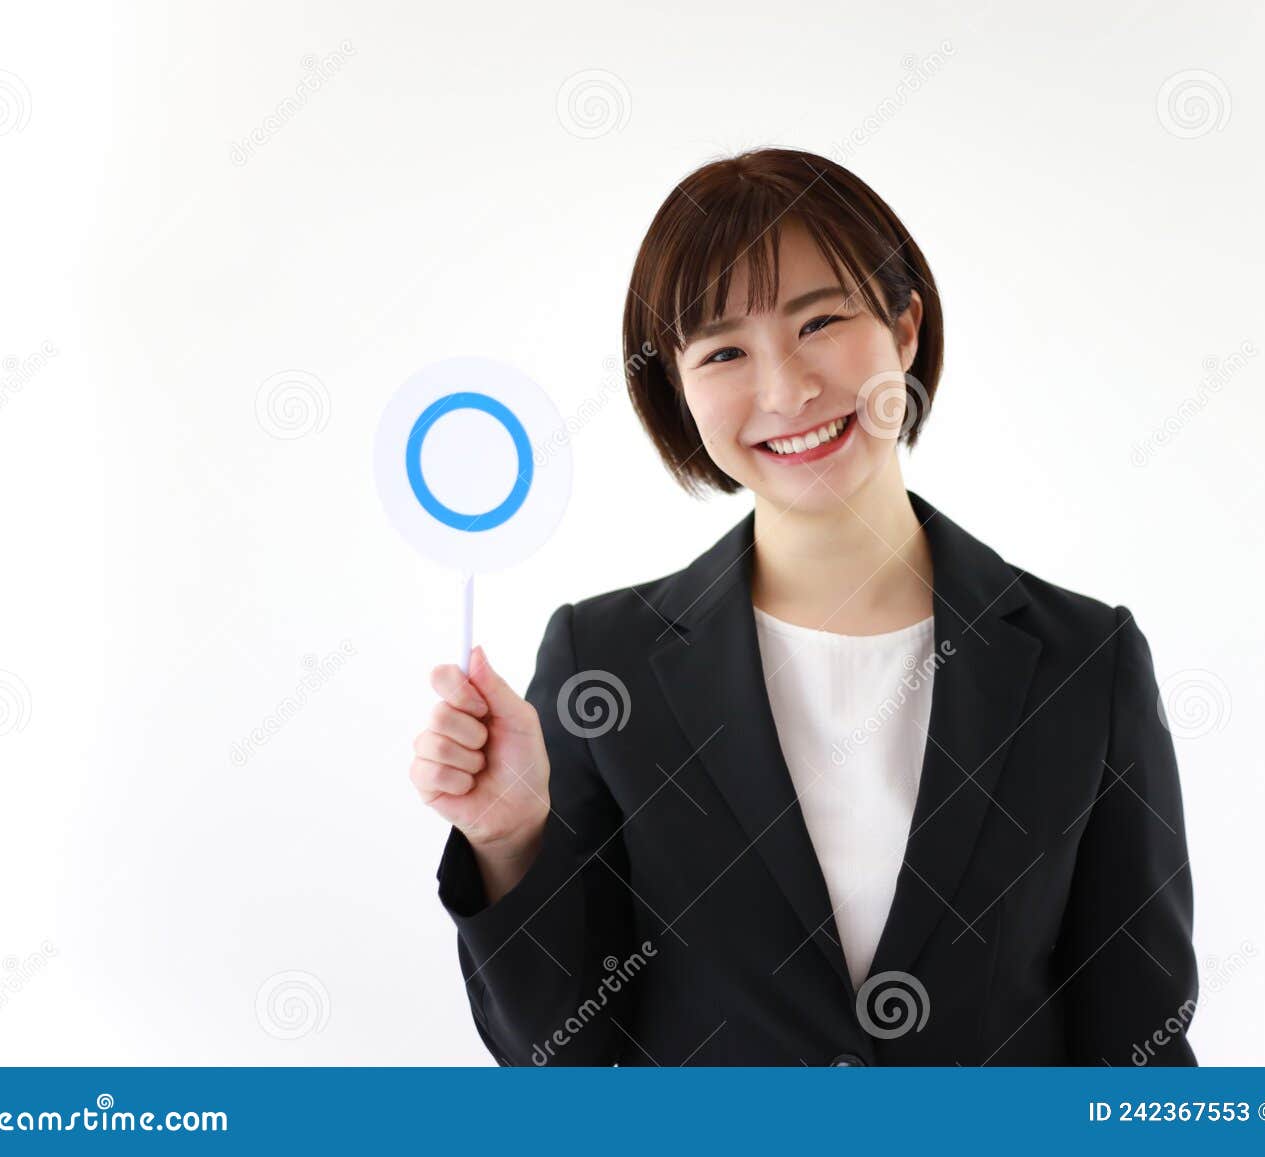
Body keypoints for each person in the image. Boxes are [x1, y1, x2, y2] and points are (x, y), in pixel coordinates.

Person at [409, 147, 1198, 1066]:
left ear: (904, 328)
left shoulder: (1083, 659)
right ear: (678, 388)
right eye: (725, 351)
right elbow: (560, 1058)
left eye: (820, 322)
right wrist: (510, 839)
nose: (786, 391)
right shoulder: (604, 660)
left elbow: (1138, 1045)